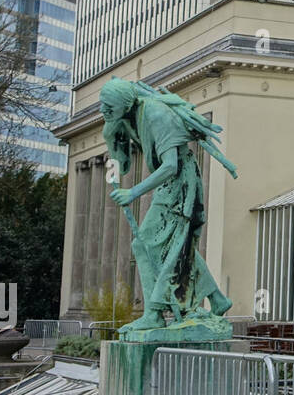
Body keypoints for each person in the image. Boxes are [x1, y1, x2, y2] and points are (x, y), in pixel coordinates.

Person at [100, 78, 237, 332]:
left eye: (108, 106)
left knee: (143, 244)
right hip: (170, 182)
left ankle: (153, 314)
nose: (103, 111)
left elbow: (171, 165)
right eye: (102, 106)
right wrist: (111, 134)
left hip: (181, 181)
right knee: (175, 245)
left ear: (123, 103)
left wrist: (133, 193)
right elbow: (123, 160)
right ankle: (218, 299)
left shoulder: (155, 113)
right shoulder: (128, 117)